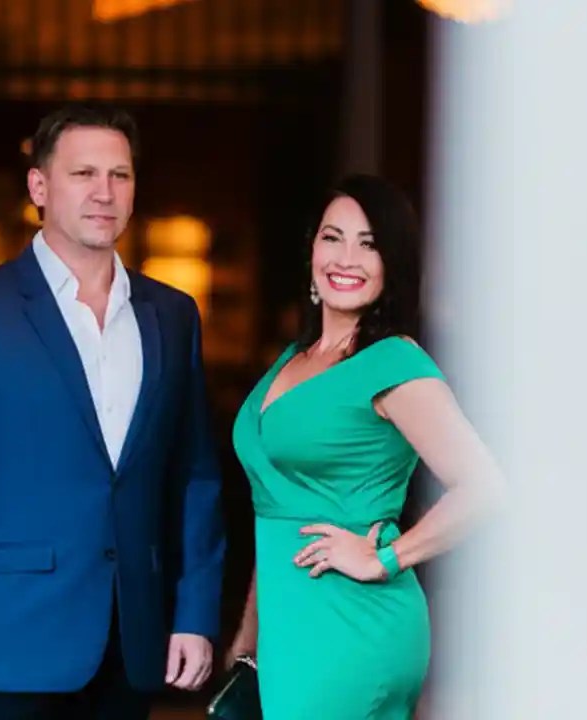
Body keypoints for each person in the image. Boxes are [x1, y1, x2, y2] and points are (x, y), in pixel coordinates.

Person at [0, 103, 226, 719]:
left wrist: (194, 614)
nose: (105, 192)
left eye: (120, 175)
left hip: (133, 640)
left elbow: (195, 478)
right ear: (39, 186)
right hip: (6, 643)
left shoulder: (172, 315)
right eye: (83, 174)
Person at [226, 175, 504, 719]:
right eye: (332, 237)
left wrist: (383, 559)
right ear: (312, 248)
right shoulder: (295, 358)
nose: (346, 258)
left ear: (391, 263)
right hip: (289, 627)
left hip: (351, 625)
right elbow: (280, 508)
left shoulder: (394, 362)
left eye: (369, 244)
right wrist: (250, 632)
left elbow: (484, 489)